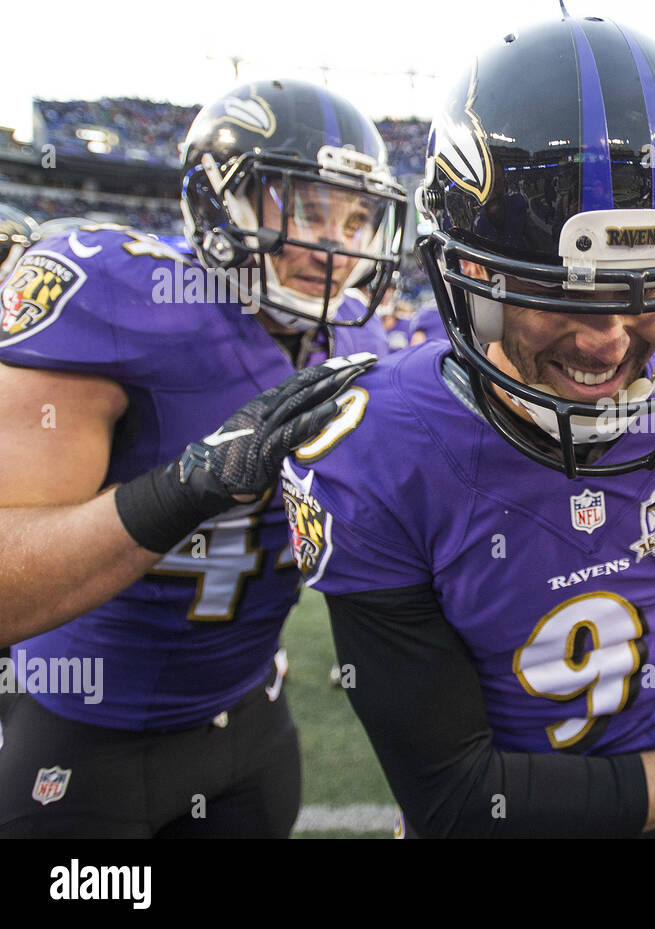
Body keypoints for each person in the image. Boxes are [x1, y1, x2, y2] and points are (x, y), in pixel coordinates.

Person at [281, 14, 655, 838]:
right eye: (561, 293)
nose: (608, 339)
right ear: (468, 273)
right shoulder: (378, 446)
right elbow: (457, 796)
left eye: (649, 291)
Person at [0, 78, 405, 837]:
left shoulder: (359, 341)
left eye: (357, 216)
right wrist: (190, 485)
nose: (338, 242)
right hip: (85, 739)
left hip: (251, 725)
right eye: (309, 208)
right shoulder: (123, 296)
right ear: (225, 201)